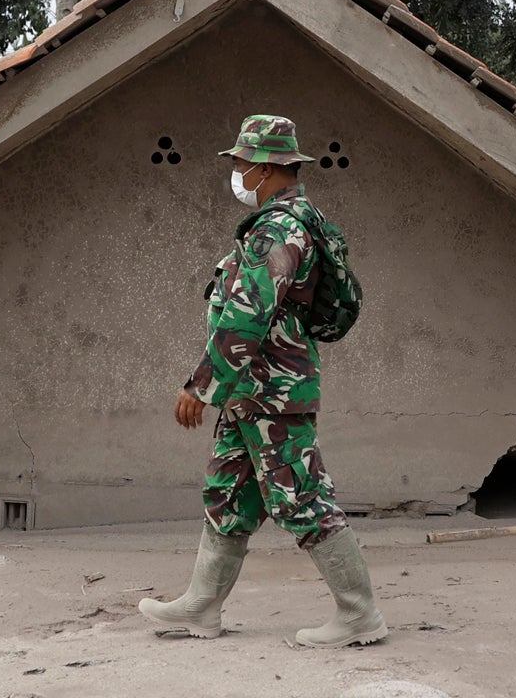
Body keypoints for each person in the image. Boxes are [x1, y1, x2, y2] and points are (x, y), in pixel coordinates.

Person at [139, 115, 386, 648]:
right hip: (249, 393)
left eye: (242, 164)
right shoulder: (290, 222)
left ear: (267, 168)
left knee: (303, 499)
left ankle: (359, 614)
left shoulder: (279, 229)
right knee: (228, 496)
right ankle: (202, 607)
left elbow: (248, 314)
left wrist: (200, 385)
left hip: (273, 394)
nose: (237, 173)